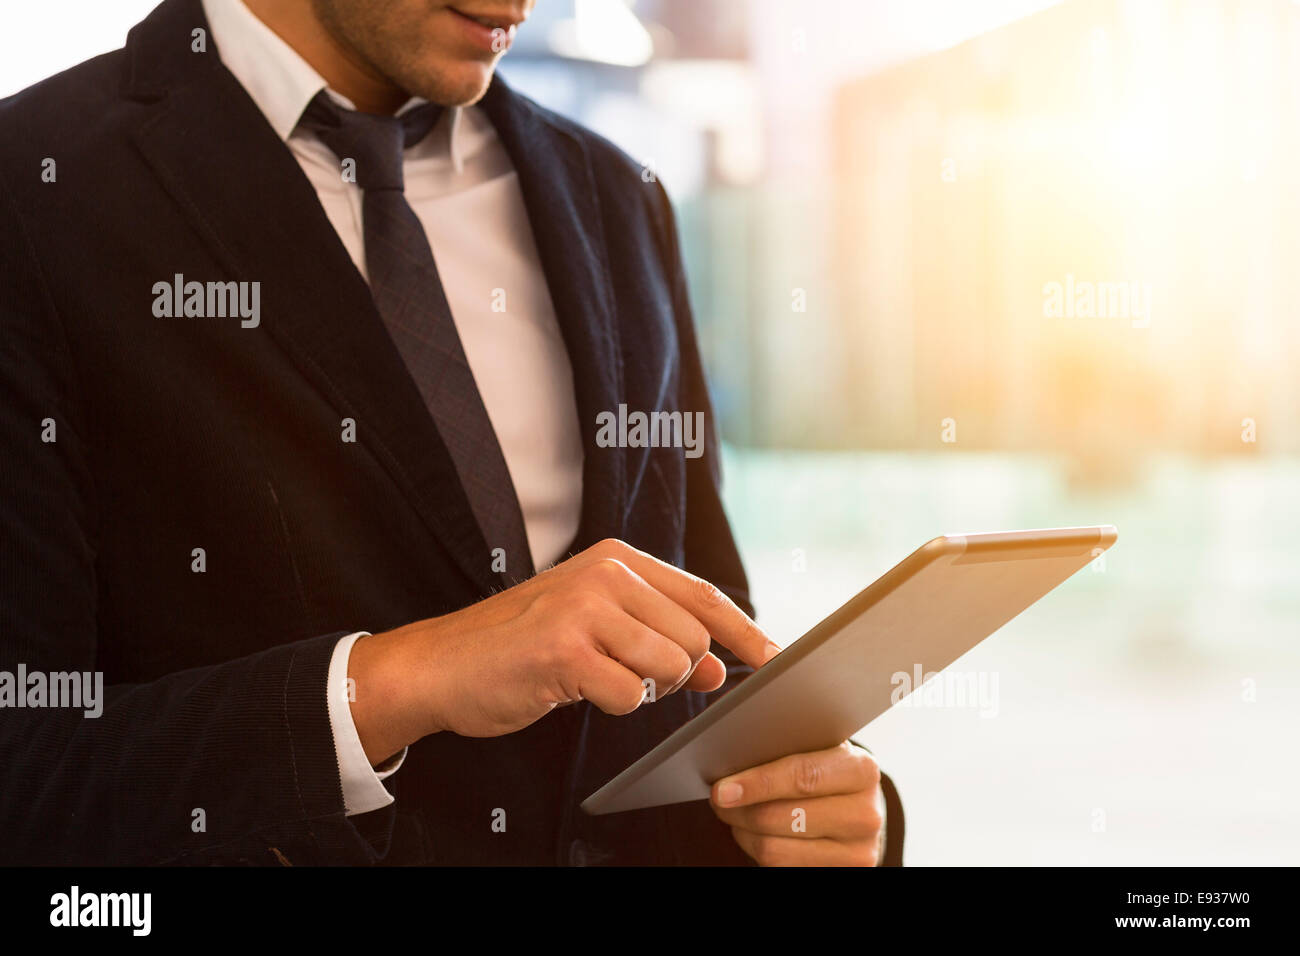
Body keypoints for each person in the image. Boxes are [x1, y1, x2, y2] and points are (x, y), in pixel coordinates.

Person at [0, 0, 903, 865]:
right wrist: (407, 679)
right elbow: (24, 773)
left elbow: (707, 644)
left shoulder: (616, 193)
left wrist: (813, 805)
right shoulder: (34, 190)